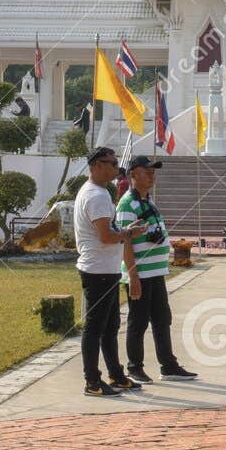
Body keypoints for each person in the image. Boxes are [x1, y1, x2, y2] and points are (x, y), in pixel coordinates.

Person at [116, 156, 200, 383]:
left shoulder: (148, 201)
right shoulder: (127, 204)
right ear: (134, 174)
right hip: (140, 273)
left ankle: (168, 366)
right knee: (138, 321)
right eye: (148, 171)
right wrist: (133, 276)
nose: (153, 176)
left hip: (155, 272)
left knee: (162, 319)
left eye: (154, 172)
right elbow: (126, 242)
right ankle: (134, 367)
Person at [74, 146, 148, 396]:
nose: (117, 170)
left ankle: (115, 375)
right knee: (95, 327)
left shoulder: (99, 193)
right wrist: (130, 233)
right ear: (96, 165)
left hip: (105, 268)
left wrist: (126, 230)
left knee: (110, 325)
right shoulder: (96, 196)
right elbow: (106, 236)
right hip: (98, 270)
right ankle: (91, 381)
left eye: (117, 164)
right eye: (112, 164)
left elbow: (109, 230)